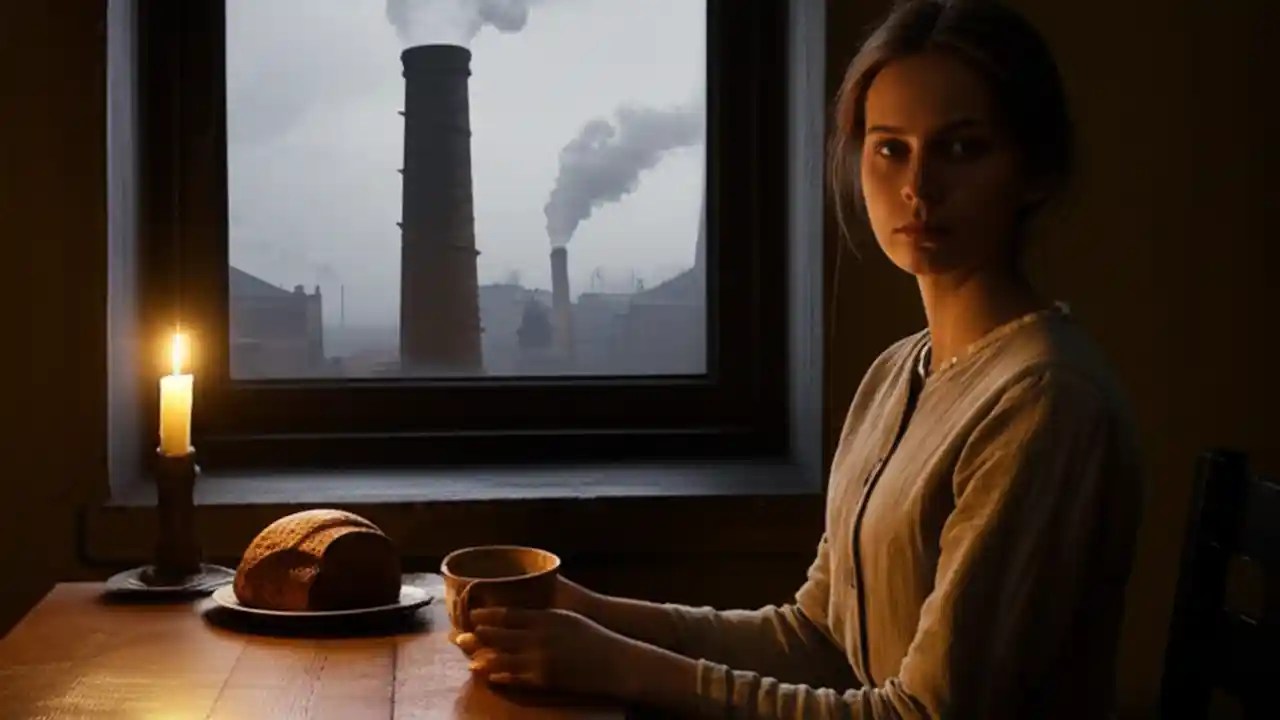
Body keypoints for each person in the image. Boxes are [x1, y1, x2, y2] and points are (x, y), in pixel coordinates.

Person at [456, 0, 1144, 716]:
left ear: (1035, 170)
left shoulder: (1044, 402)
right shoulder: (897, 374)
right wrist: (590, 610)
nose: (918, 186)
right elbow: (816, 636)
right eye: (890, 147)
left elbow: (919, 712)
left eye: (963, 148)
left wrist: (621, 668)